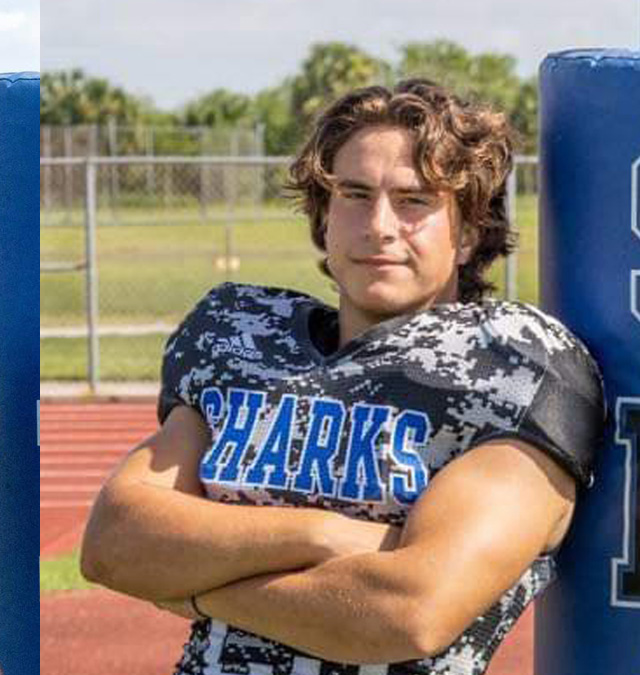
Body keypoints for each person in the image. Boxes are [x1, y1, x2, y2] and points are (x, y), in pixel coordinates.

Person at [80, 79, 605, 674]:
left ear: (466, 233)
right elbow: (114, 542)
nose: (379, 225)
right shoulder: (242, 338)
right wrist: (322, 535)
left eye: (414, 201)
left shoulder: (513, 365)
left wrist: (198, 594)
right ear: (323, 217)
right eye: (355, 194)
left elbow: (408, 613)